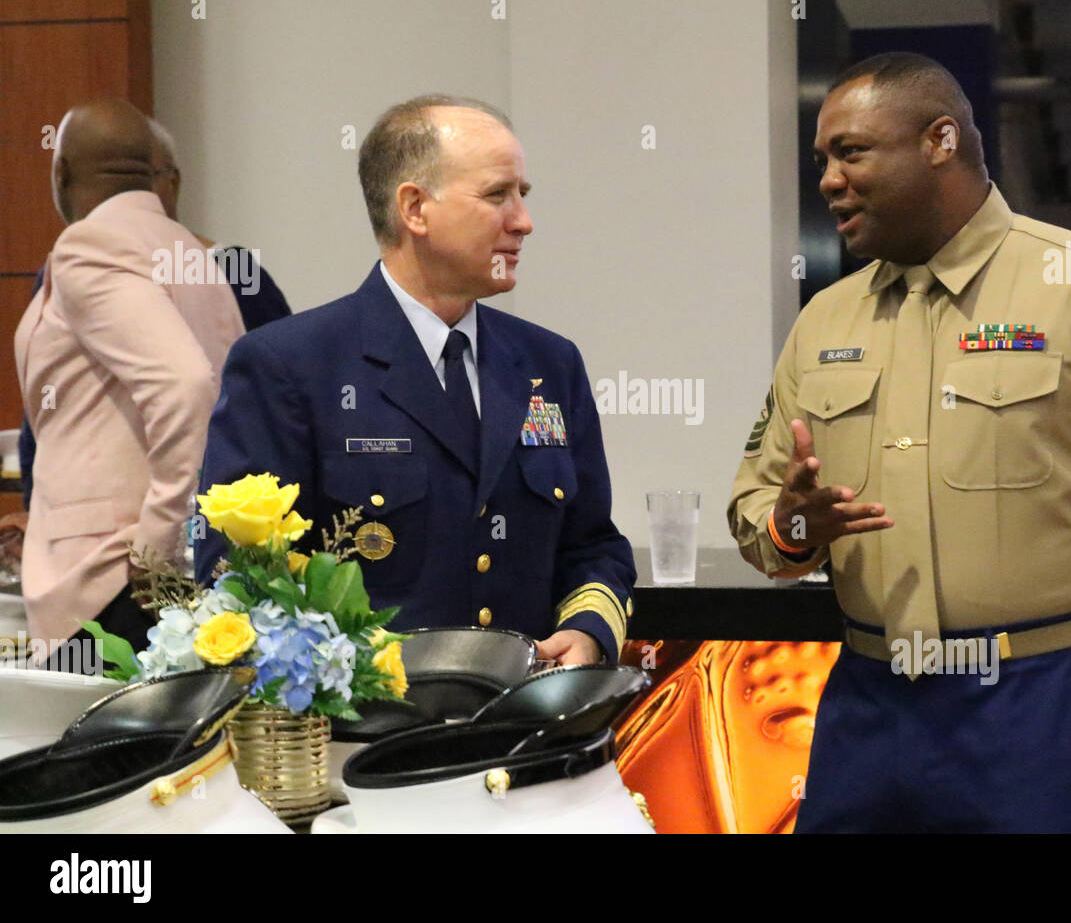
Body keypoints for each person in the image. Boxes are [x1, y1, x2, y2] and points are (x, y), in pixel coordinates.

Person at [729, 53, 1071, 833]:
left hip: (1041, 704)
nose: (827, 180)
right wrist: (792, 530)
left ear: (940, 141)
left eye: (850, 152)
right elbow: (755, 503)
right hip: (867, 703)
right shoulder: (826, 321)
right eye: (822, 159)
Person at [197, 94, 634, 667]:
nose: (523, 221)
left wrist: (588, 632)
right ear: (415, 209)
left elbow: (593, 545)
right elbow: (236, 578)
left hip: (524, 727)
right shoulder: (291, 365)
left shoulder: (548, 364)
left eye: (522, 196)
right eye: (497, 195)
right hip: (372, 739)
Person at [15, 98, 245, 665]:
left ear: (61, 172)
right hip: (182, 571)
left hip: (106, 577)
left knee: (92, 751)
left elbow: (186, 386)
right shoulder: (192, 250)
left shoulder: (89, 244)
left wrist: (156, 543)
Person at [147, 117, 293, 331]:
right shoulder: (92, 271)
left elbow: (281, 358)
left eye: (142, 175)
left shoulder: (234, 271)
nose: (127, 192)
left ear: (173, 181)